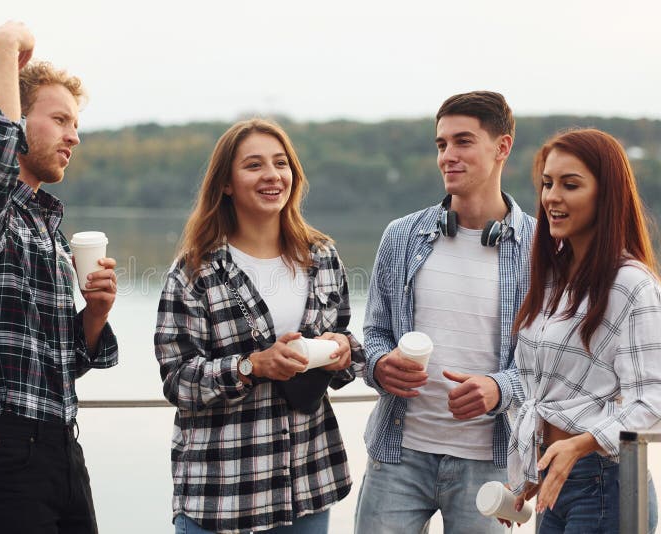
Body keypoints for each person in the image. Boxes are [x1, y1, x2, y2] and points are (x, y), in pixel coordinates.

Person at [0, 21, 119, 533]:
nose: (73, 137)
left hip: (62, 451)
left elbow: (65, 365)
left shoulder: (51, 233)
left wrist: (97, 314)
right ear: (20, 124)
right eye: (59, 120)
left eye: (75, 123)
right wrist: (5, 45)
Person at [154, 118, 366, 533]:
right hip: (222, 494)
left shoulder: (321, 257)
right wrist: (252, 366)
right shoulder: (194, 271)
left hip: (306, 486)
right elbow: (176, 381)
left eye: (280, 163)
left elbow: (346, 342)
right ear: (227, 183)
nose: (271, 175)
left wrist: (341, 351)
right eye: (254, 165)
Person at [355, 91, 536, 533]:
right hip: (397, 456)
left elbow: (549, 363)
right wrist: (379, 366)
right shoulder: (400, 236)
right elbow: (374, 333)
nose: (448, 156)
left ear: (502, 147)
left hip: (490, 465)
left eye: (463, 142)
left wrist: (500, 388)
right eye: (441, 144)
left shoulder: (542, 248)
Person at [506, 128, 661, 532]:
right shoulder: (552, 279)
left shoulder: (630, 285)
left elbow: (654, 401)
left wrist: (581, 444)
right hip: (553, 480)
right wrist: (530, 468)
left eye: (570, 185)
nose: (552, 197)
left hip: (603, 481)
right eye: (547, 183)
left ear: (606, 195)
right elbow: (540, 391)